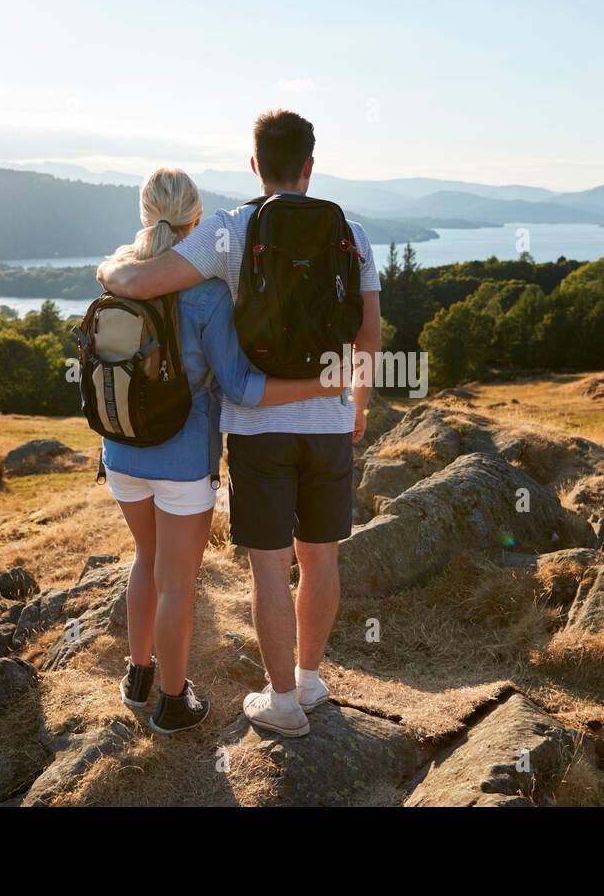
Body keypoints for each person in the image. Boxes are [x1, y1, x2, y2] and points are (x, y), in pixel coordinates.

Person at [97, 110, 381, 737]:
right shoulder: (352, 234)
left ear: (253, 164)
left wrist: (108, 271)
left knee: (268, 566)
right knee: (321, 556)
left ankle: (280, 699)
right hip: (329, 425)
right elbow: (369, 335)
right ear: (310, 165)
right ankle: (309, 680)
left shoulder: (227, 231)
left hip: (256, 430)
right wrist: (355, 399)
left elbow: (145, 281)